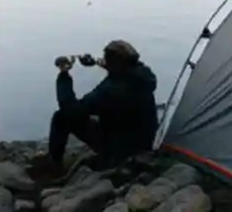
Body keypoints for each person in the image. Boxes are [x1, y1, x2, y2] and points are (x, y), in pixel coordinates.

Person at [40, 39, 158, 176]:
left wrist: (63, 74)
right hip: (143, 143)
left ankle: (54, 165)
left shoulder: (110, 89)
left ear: (114, 63)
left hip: (120, 149)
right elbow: (122, 70)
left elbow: (71, 110)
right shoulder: (143, 76)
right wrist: (95, 62)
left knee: (61, 117)